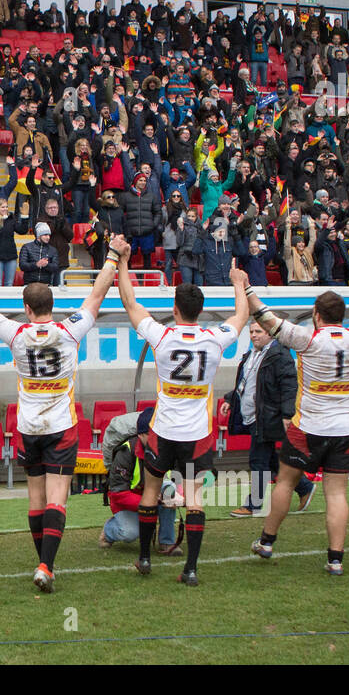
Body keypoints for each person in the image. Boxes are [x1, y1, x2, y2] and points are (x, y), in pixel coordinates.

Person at [0, 238, 123, 592]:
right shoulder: (69, 331)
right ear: (52, 306)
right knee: (58, 498)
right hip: (61, 428)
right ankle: (46, 565)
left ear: (26, 308)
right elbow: (97, 295)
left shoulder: (17, 334)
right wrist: (112, 256)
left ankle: (44, 563)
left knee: (36, 499)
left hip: (29, 428)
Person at [247, 253, 349, 574]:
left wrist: (245, 288)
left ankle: (267, 541)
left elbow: (266, 318)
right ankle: (335, 559)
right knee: (337, 493)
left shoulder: (308, 338)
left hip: (308, 427)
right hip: (345, 429)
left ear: (316, 315)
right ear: (342, 316)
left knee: (285, 483)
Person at [115, 244, 250, 586]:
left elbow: (130, 303)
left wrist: (124, 263)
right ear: (200, 311)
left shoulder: (162, 335)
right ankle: (190, 568)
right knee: (194, 498)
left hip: (163, 430)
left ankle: (145, 558)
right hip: (196, 434)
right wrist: (237, 283)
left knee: (150, 491)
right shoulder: (214, 339)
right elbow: (241, 317)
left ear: (175, 310)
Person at [228, 320, 315, 518]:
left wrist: (287, 414)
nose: (253, 335)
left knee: (258, 460)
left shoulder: (279, 355)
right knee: (271, 460)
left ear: (270, 334)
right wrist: (230, 399)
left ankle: (254, 504)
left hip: (267, 417)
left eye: (258, 331)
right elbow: (246, 384)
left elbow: (289, 386)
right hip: (254, 416)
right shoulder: (251, 355)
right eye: (251, 331)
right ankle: (304, 487)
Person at [98, 408, 182, 555]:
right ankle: (109, 530)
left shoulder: (166, 448)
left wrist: (179, 495)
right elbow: (118, 493)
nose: (159, 440)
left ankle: (167, 542)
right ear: (141, 434)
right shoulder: (125, 452)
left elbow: (177, 476)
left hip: (154, 494)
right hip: (127, 501)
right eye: (153, 435)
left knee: (170, 490)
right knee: (129, 533)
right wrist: (150, 502)